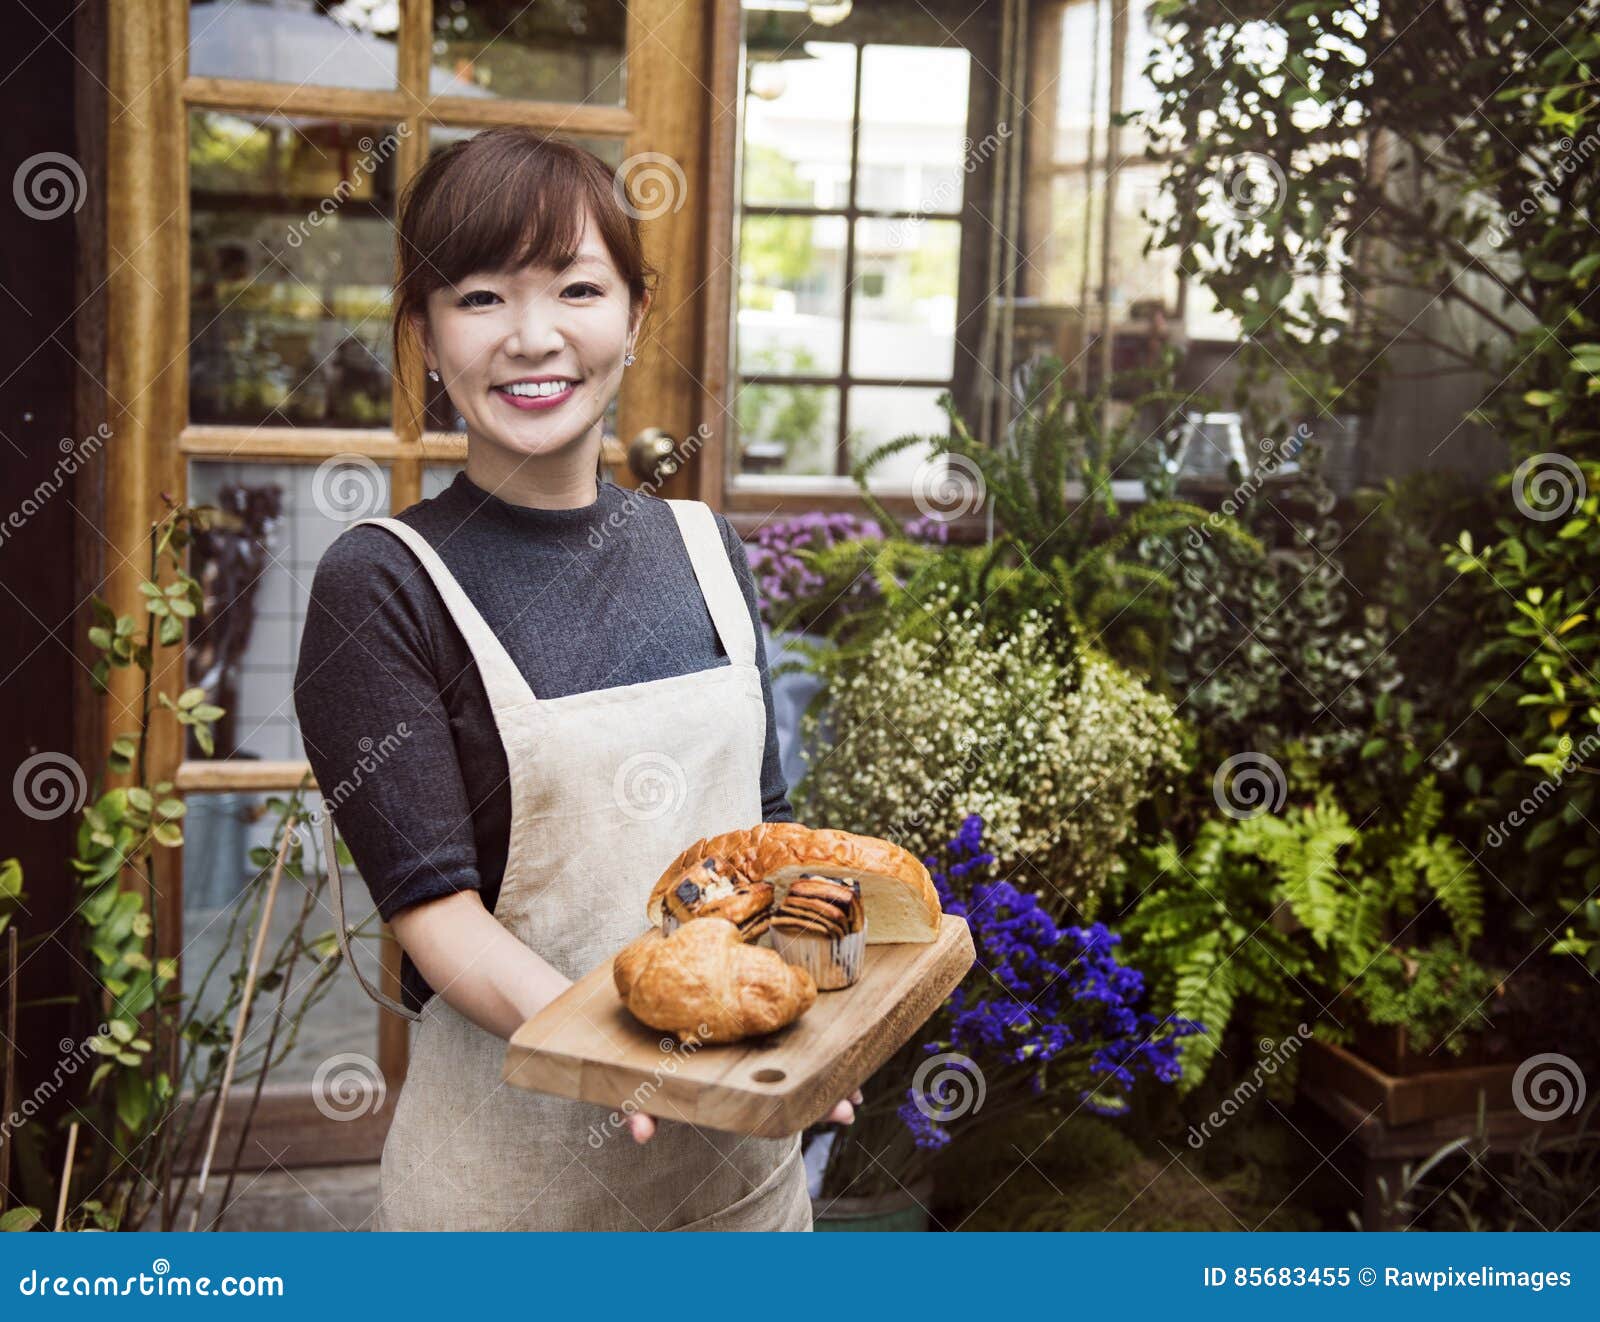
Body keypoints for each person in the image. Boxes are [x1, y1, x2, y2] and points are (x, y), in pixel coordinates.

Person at [293, 128, 858, 1231]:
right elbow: (433, 908)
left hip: (744, 1191)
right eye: (481, 297)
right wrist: (624, 1050)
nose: (534, 336)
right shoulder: (383, 583)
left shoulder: (702, 544)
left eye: (577, 288)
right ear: (422, 334)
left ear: (636, 316)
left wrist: (822, 1021)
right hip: (512, 1199)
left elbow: (767, 834)